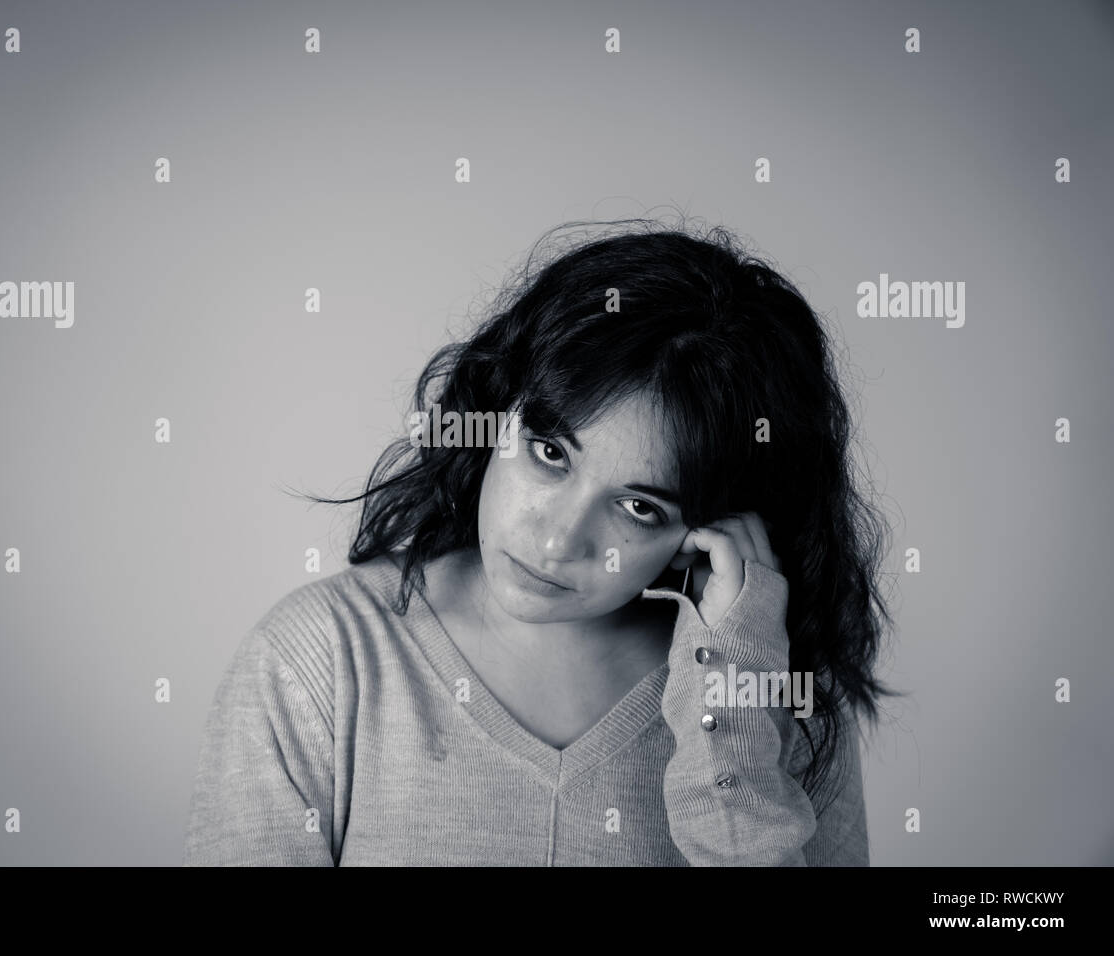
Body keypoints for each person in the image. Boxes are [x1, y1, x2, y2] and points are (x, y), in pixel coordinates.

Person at [183, 218, 899, 866]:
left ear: (707, 535)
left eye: (639, 506)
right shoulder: (318, 665)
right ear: (499, 415)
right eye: (550, 454)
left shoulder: (776, 692)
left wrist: (731, 720)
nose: (558, 540)